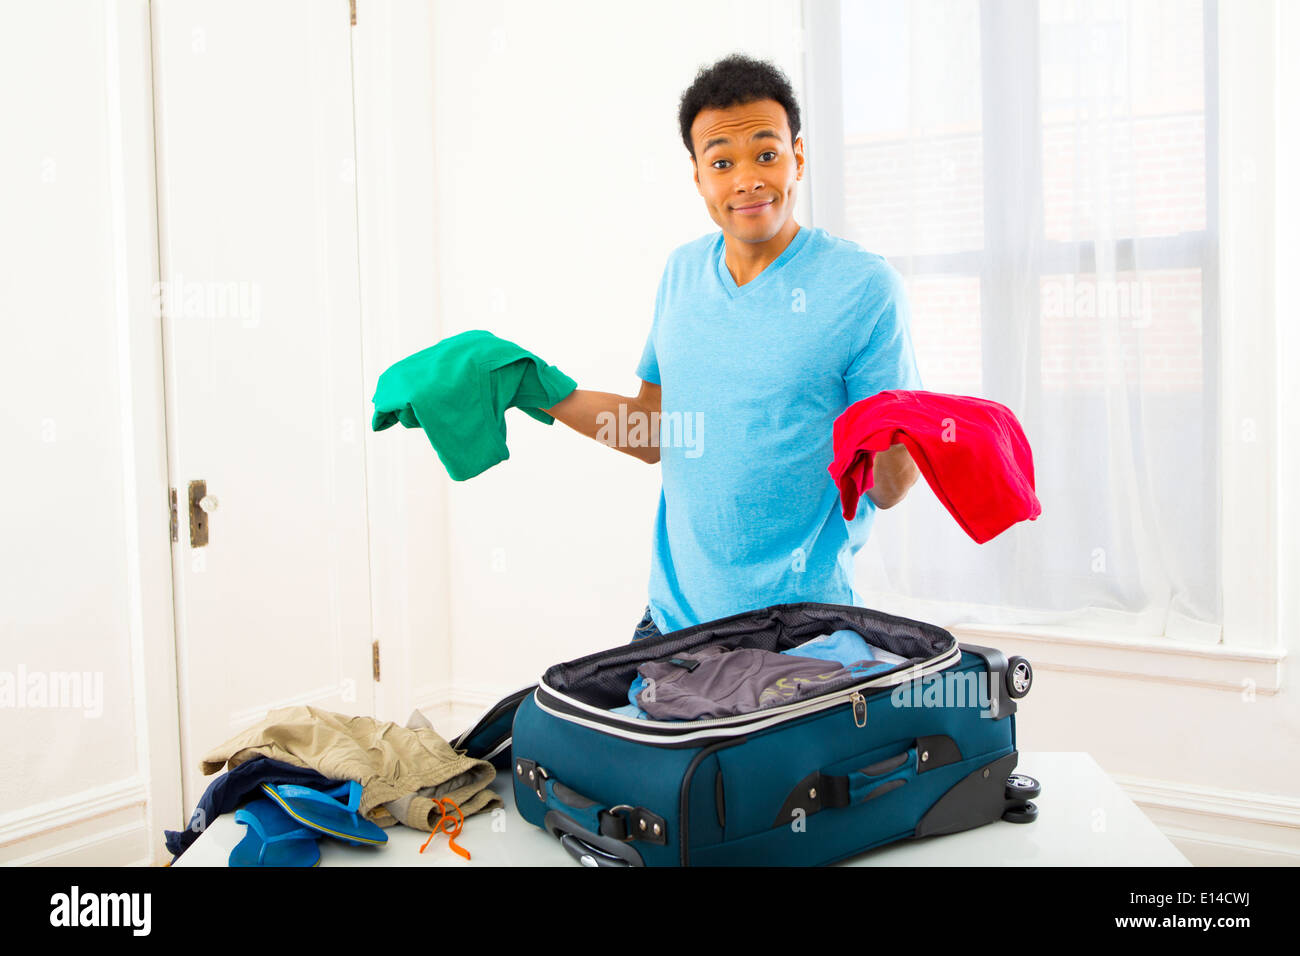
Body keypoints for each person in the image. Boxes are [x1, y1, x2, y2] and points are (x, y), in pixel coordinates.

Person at [542, 53, 922, 642]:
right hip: (673, 630)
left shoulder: (864, 287)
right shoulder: (682, 272)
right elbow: (652, 433)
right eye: (722, 162)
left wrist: (916, 427)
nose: (747, 179)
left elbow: (890, 489)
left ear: (798, 158)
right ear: (698, 177)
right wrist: (538, 389)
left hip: (802, 636)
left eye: (766, 154)